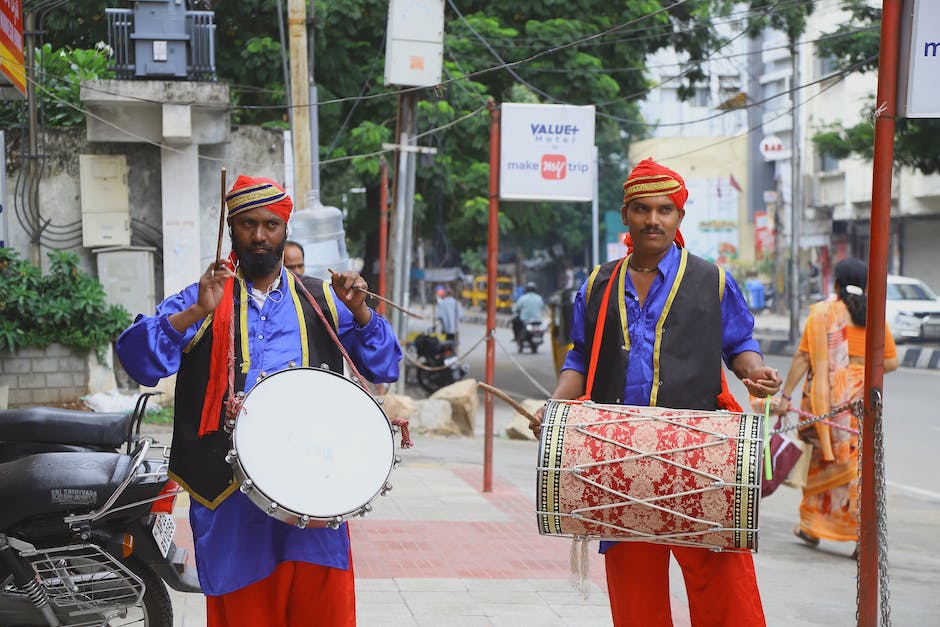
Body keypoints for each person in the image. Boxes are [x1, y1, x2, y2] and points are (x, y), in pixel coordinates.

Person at [116, 175, 402, 626]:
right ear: (232, 229)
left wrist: (362, 311)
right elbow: (136, 360)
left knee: (320, 612)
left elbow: (386, 366)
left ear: (284, 229)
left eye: (270, 224)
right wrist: (194, 314)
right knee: (245, 614)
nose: (259, 235)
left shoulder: (324, 298)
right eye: (248, 224)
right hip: (227, 494)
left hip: (313, 486)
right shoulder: (205, 295)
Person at [532, 158, 781, 627]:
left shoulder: (713, 280)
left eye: (665, 210)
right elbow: (580, 358)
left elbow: (740, 344)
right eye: (642, 209)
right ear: (626, 215)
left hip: (700, 459)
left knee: (726, 595)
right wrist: (555, 409)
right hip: (618, 461)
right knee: (636, 602)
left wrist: (756, 372)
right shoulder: (598, 283)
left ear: (679, 217)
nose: (653, 220)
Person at [773, 257, 897, 558]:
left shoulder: (822, 314)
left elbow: (803, 358)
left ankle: (811, 527)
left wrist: (785, 396)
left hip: (823, 404)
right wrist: (856, 375)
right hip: (860, 405)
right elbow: (891, 362)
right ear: (867, 285)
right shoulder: (875, 316)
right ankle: (860, 538)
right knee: (859, 470)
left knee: (820, 462)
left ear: (836, 284)